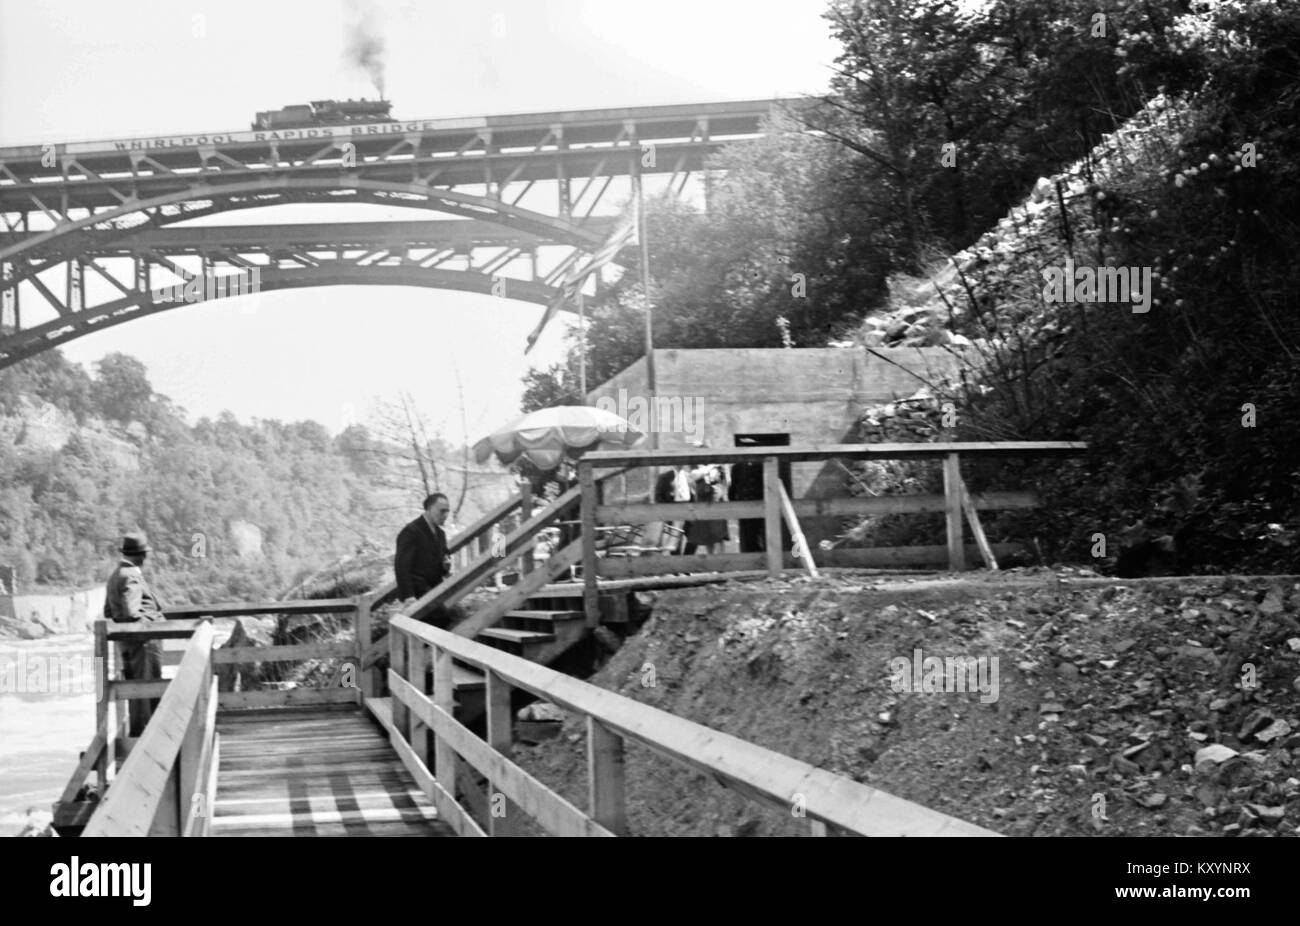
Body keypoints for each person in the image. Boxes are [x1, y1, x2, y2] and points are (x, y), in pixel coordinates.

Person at [103, 532, 165, 736]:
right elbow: (131, 612)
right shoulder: (131, 575)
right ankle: (146, 737)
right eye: (145, 554)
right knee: (148, 689)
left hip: (128, 643)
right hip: (143, 643)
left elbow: (108, 612)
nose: (146, 558)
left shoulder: (115, 575)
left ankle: (140, 735)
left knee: (137, 692)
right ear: (140, 556)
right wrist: (152, 621)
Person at [395, 493, 455, 628]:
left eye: (447, 511)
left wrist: (445, 566)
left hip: (434, 590)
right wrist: (408, 596)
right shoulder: (411, 531)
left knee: (439, 623)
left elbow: (442, 561)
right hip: (417, 591)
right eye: (442, 511)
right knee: (441, 619)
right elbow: (401, 566)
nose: (445, 515)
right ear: (429, 508)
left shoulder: (441, 534)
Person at [684, 455, 730, 555]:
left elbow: (725, 482)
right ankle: (711, 562)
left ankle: (720, 563)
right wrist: (711, 466)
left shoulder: (718, 469)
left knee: (719, 535)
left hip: (716, 504)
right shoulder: (695, 470)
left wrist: (722, 491)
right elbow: (696, 475)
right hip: (702, 504)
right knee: (707, 537)